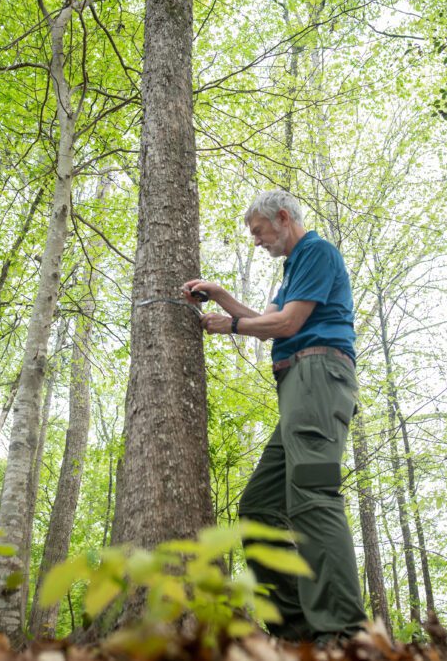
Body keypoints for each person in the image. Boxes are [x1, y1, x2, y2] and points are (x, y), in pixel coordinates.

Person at [182, 189, 367, 644]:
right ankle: (298, 632)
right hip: (299, 386)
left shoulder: (317, 252)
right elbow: (268, 321)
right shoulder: (292, 271)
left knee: (313, 493)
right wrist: (223, 297)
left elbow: (286, 325)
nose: (257, 241)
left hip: (319, 375)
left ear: (283, 218)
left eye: (260, 232)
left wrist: (234, 326)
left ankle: (343, 630)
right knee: (261, 506)